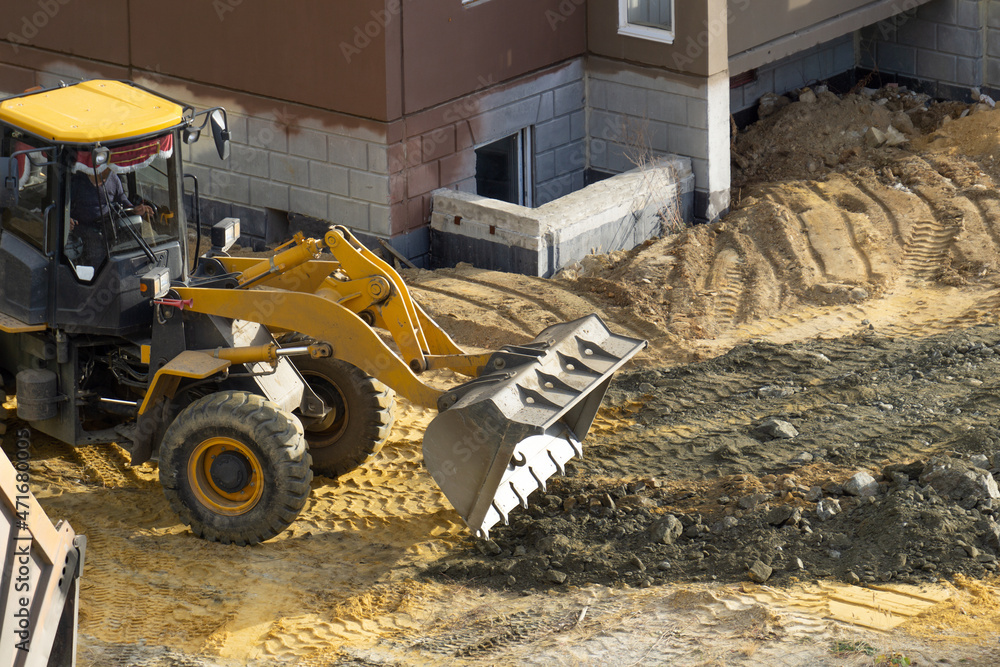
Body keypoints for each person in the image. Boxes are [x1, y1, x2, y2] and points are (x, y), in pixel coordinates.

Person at [68, 168, 153, 266]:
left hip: (108, 225)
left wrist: (134, 209)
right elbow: (65, 204)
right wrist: (67, 220)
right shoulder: (78, 179)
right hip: (84, 227)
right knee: (97, 255)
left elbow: (122, 198)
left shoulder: (113, 178)